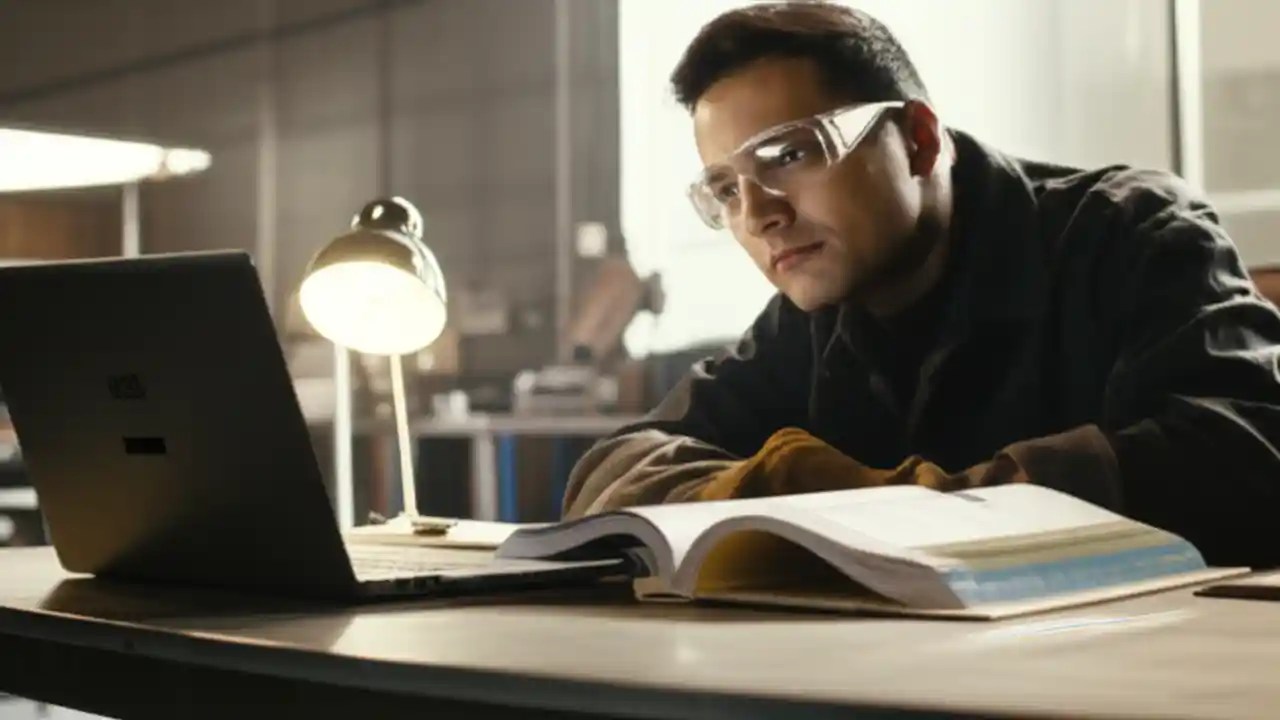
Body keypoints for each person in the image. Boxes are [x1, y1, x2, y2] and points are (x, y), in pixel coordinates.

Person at [562, 1, 1280, 567]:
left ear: (920, 140)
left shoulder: (1130, 234)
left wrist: (901, 510)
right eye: (726, 187)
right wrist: (786, 489)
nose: (759, 215)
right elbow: (618, 469)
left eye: (789, 155)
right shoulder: (815, 311)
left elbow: (1248, 454)